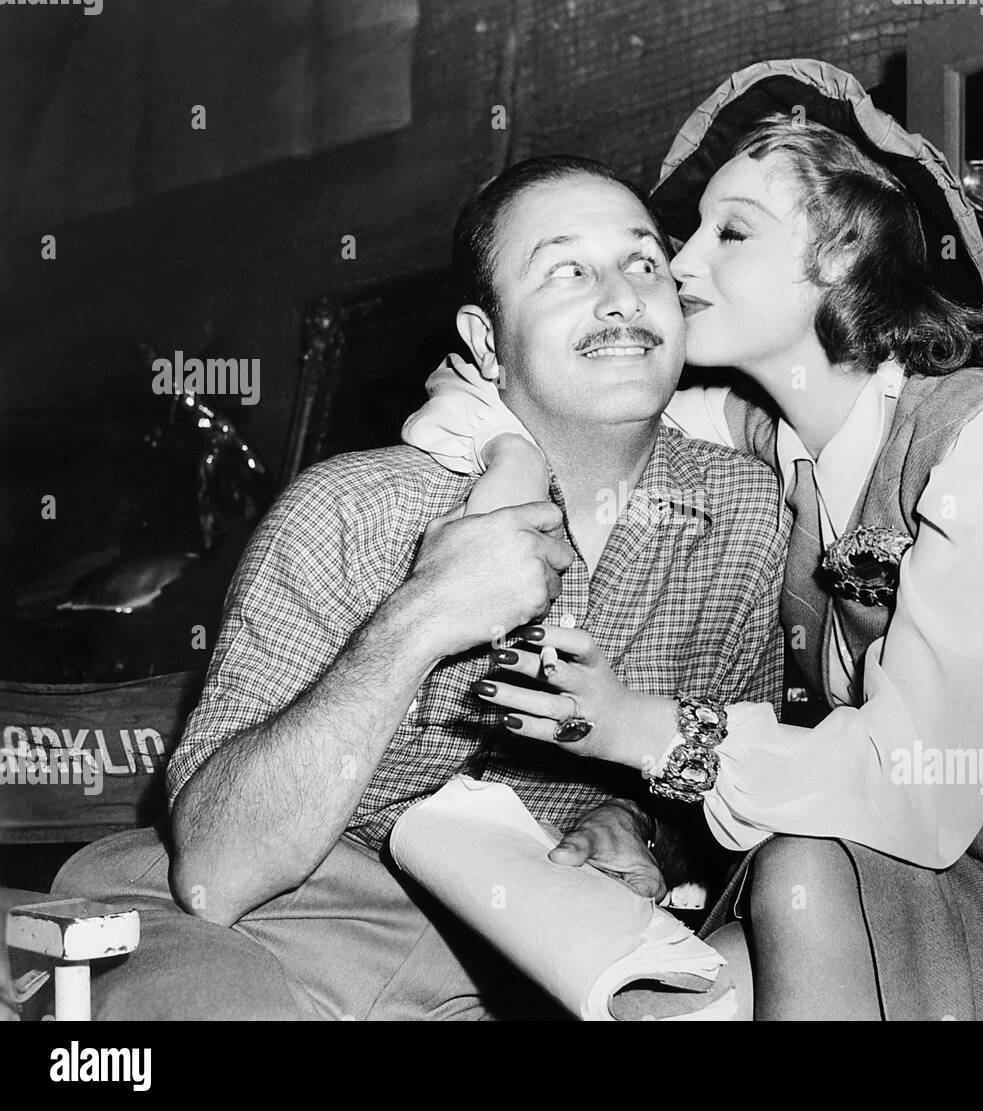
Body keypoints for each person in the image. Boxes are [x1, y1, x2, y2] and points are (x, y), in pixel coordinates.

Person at [405, 60, 983, 1021]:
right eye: (687, 235)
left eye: (729, 233)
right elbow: (499, 380)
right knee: (652, 1004)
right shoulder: (768, 438)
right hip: (899, 882)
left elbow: (919, 790)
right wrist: (511, 461)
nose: (682, 265)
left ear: (846, 257)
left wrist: (640, 728)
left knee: (798, 871)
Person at [48, 154, 788, 1021]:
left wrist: (649, 836)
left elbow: (743, 795)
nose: (622, 296)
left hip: (532, 951)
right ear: (485, 340)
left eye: (644, 262)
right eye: (567, 271)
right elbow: (218, 873)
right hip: (283, 928)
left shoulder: (739, 514)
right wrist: (423, 612)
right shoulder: (348, 509)